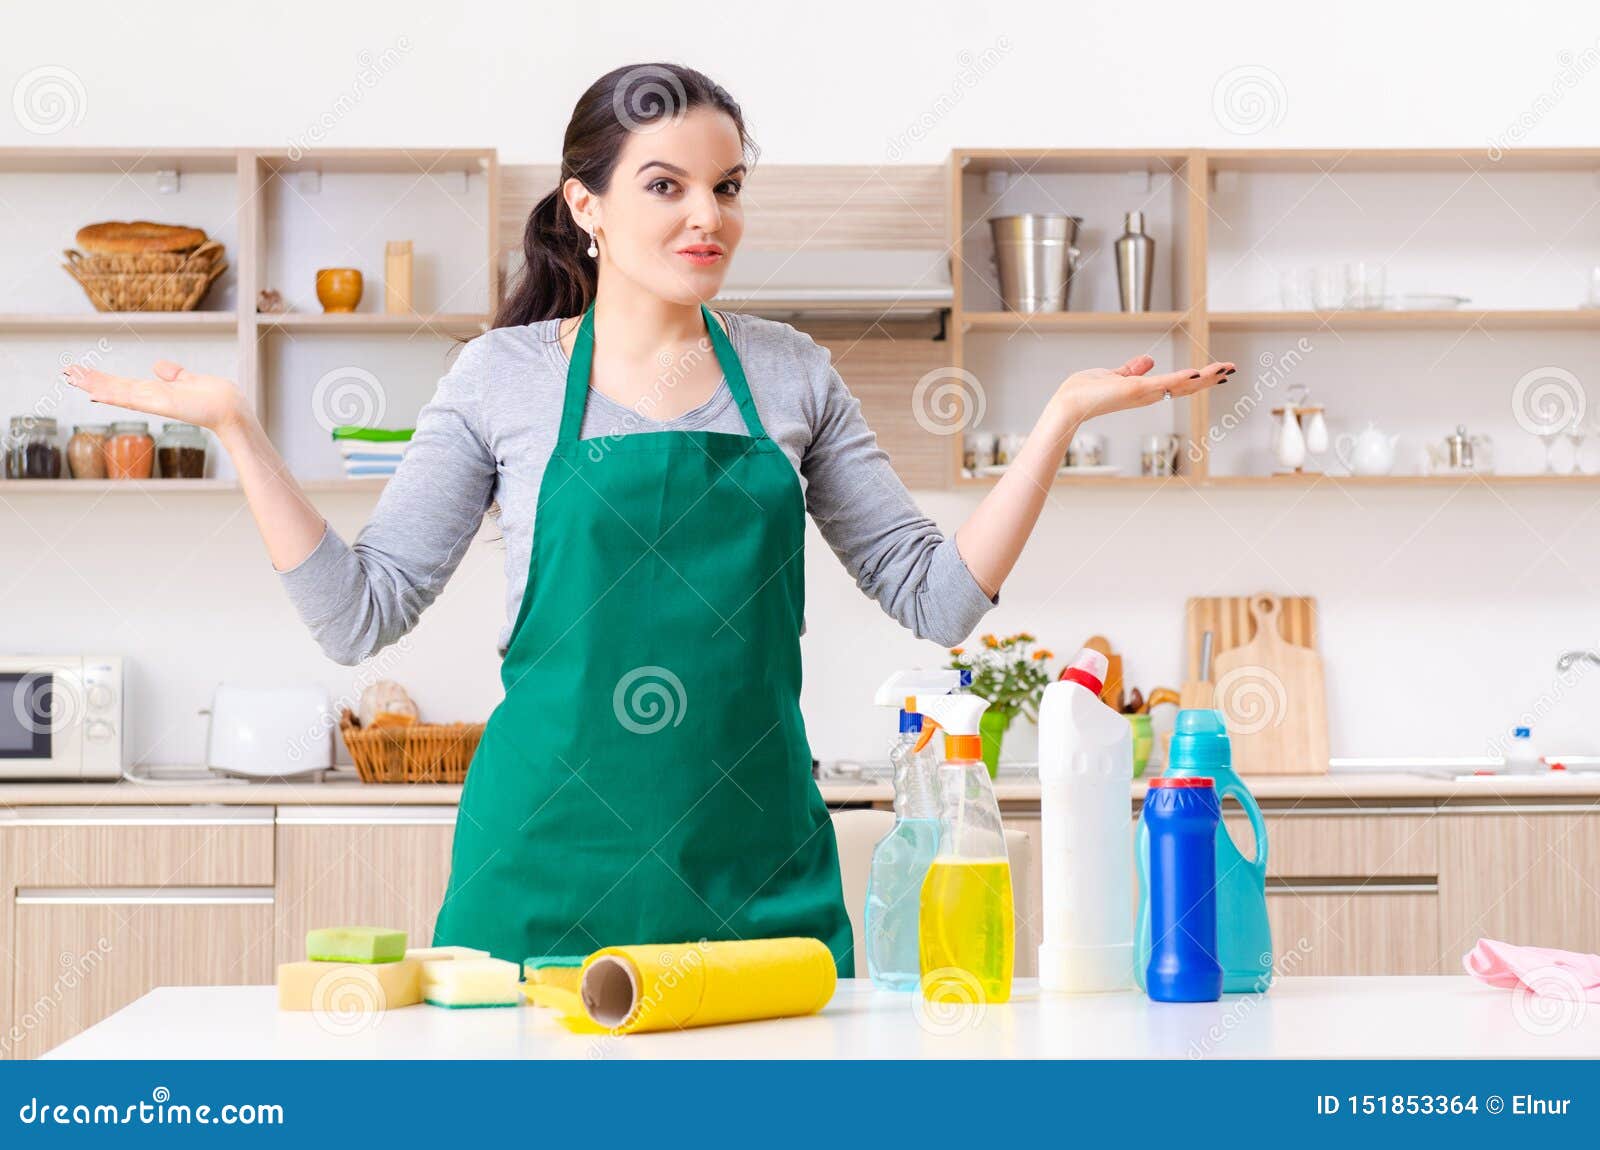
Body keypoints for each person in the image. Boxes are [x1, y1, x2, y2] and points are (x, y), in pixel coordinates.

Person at [64, 63, 1234, 977]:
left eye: (725, 188)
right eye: (664, 186)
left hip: (755, 870)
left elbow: (937, 597)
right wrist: (234, 424)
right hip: (542, 869)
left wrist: (1062, 420)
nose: (704, 217)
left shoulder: (793, 373)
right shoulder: (499, 378)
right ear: (586, 205)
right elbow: (358, 616)